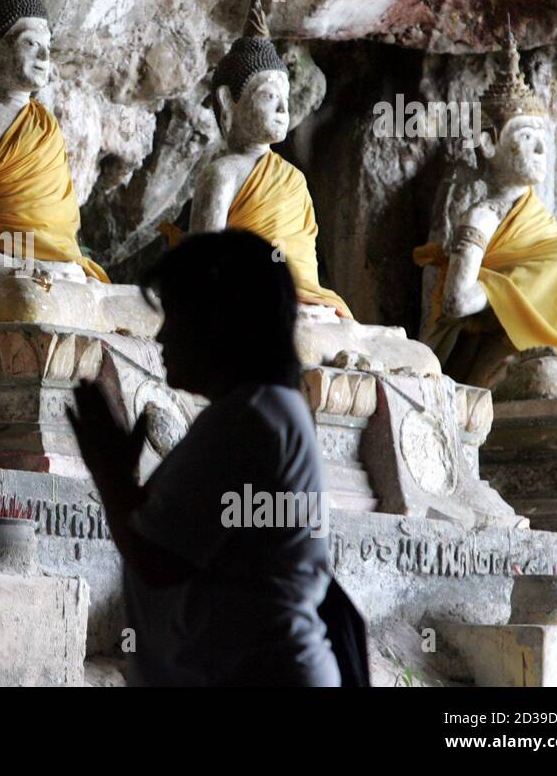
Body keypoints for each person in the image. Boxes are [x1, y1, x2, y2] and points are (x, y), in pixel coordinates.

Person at [66, 229, 368, 686]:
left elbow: (161, 561)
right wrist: (124, 477)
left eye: (178, 315)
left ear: (223, 319)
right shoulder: (262, 410)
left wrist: (109, 474)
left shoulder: (250, 419)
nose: (163, 335)